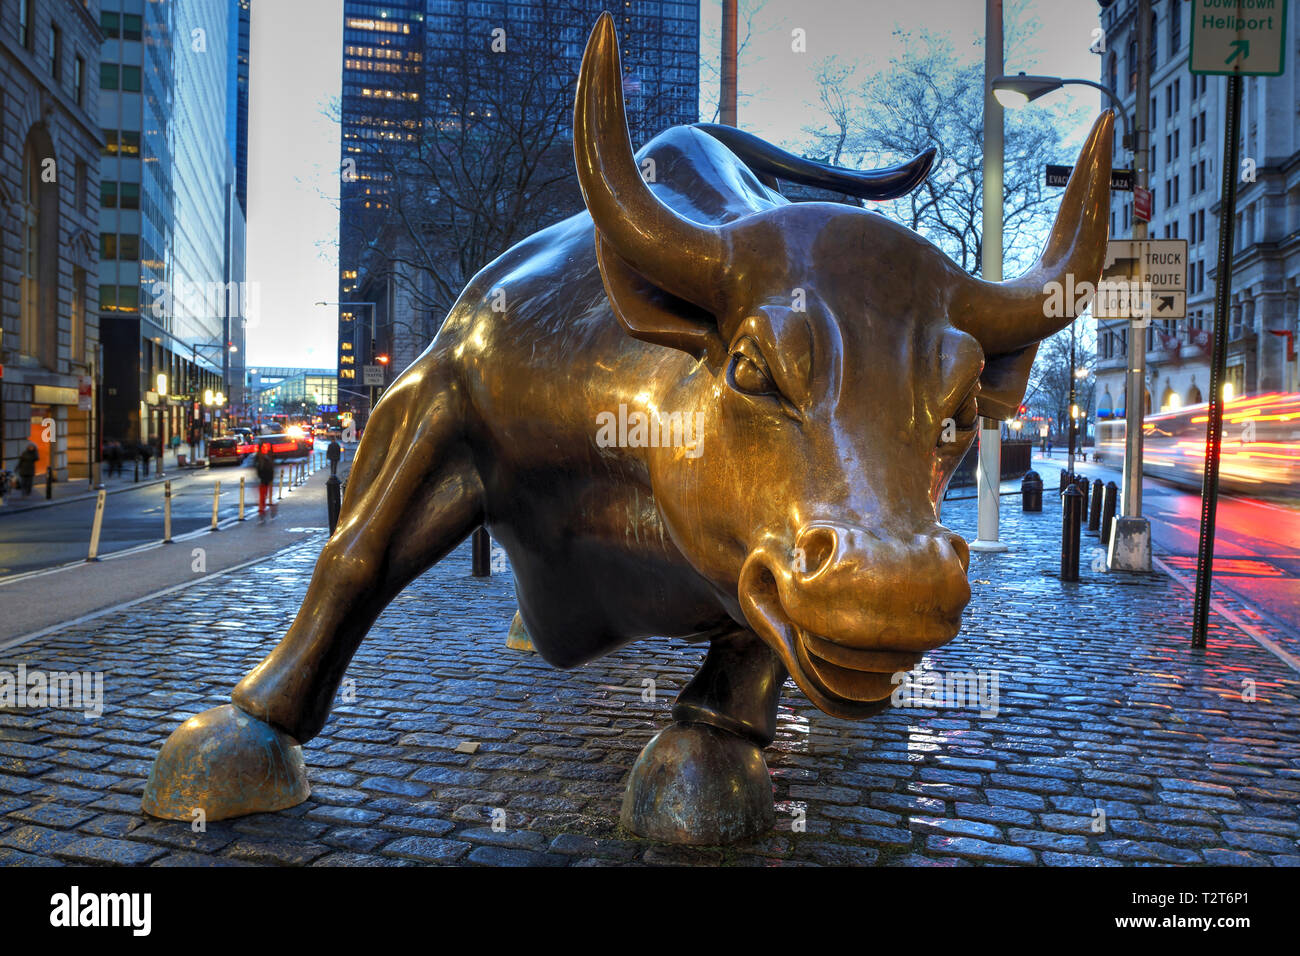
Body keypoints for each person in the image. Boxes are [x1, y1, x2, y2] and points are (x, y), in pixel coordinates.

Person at [255, 442, 276, 520]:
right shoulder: (262, 458)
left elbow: (269, 469)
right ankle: (263, 511)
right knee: (264, 496)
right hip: (264, 479)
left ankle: (263, 511)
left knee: (264, 496)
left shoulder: (265, 458)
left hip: (265, 479)